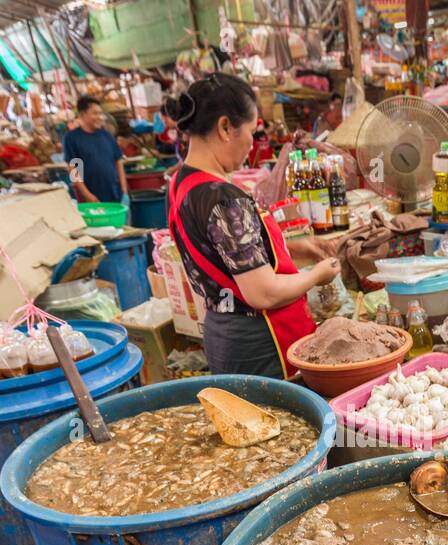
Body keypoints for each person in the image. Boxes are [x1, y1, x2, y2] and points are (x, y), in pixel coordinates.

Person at [161, 73, 340, 378]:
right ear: (226, 127)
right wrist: (315, 276)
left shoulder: (181, 182)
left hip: (224, 333)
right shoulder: (224, 199)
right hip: (261, 343)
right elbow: (263, 294)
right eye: (252, 131)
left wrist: (295, 249)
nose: (252, 145)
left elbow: (228, 258)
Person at [62, 96, 128, 211]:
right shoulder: (72, 138)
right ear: (82, 114)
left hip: (116, 195)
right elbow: (73, 169)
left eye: (100, 113)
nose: (100, 117)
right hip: (91, 200)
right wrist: (88, 195)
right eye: (95, 113)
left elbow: (118, 162)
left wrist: (124, 190)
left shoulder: (106, 135)